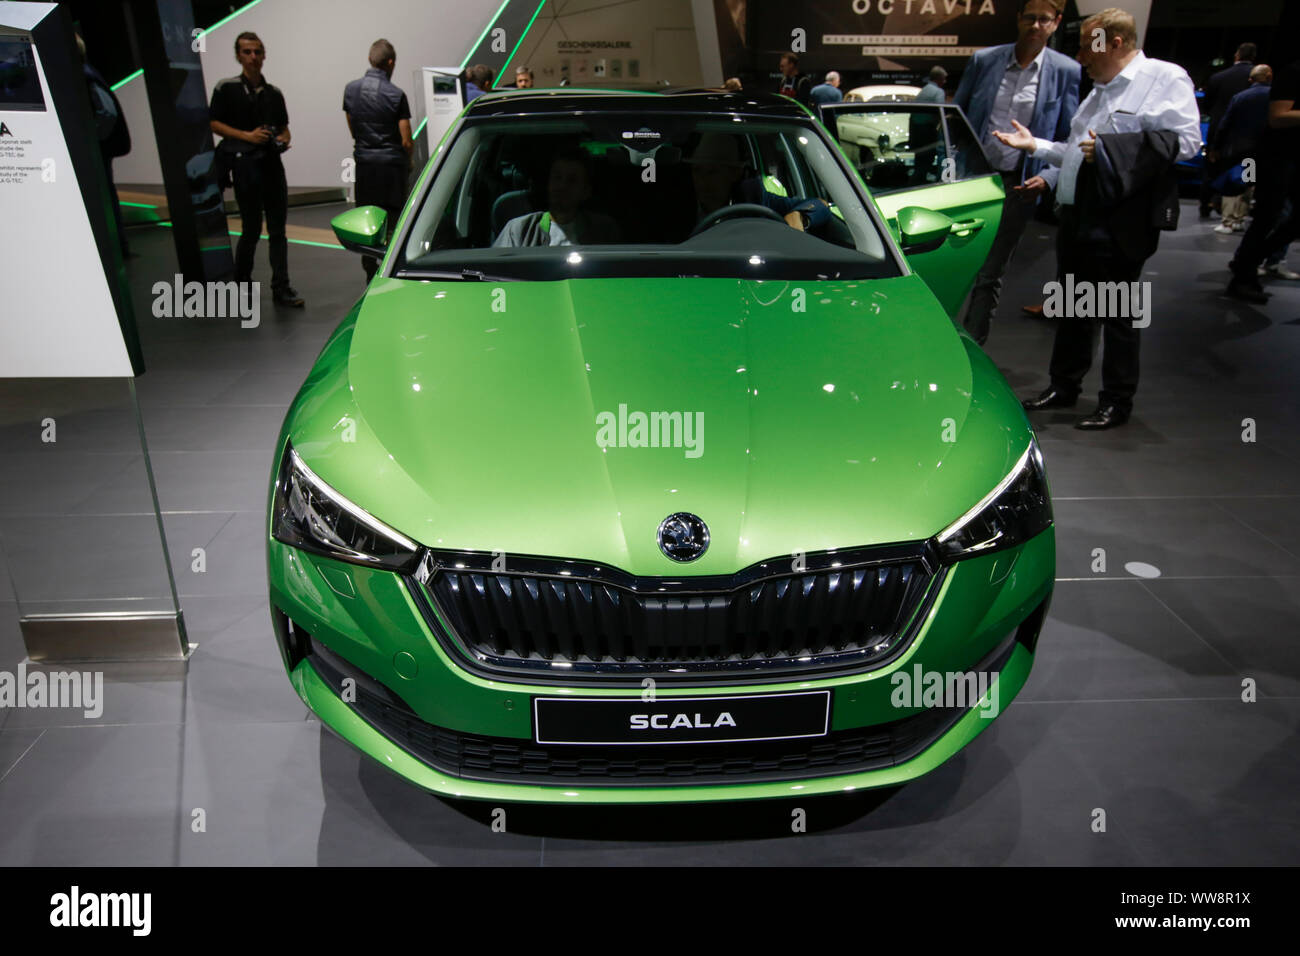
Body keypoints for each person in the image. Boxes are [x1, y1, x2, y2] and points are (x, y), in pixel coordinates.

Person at [994, 7, 1200, 430]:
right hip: (1077, 212)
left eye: (1089, 44)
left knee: (1118, 310)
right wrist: (1037, 147)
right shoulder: (1099, 90)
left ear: (1117, 42)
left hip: (1120, 216)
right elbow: (1078, 150)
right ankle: (1064, 384)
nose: (1082, 54)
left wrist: (1112, 146)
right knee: (1072, 305)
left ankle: (1116, 401)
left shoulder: (1163, 78)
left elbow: (1186, 142)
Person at [954, 0, 1080, 345]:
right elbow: (956, 118)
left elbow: (1069, 135)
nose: (1036, 26)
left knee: (991, 272)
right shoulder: (985, 61)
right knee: (955, 264)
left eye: (1044, 20)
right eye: (1030, 18)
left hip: (1020, 184)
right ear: (1018, 20)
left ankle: (973, 346)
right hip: (972, 180)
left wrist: (1050, 177)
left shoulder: (1065, 71)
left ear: (1055, 23)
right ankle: (940, 338)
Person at [209, 31, 303, 307]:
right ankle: (241, 283)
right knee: (251, 228)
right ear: (238, 55)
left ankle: (281, 287)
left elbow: (284, 127)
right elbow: (213, 123)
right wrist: (247, 136)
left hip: (272, 165)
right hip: (244, 166)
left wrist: (284, 139)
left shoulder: (274, 93)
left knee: (278, 231)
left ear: (264, 55)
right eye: (247, 52)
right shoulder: (226, 88)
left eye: (258, 52)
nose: (253, 57)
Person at [1225, 59, 1300, 301]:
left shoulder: (1243, 96)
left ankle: (1246, 263)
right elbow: (1277, 117)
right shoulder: (1293, 72)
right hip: (1276, 159)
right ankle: (1245, 269)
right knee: (1266, 215)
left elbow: (1227, 122)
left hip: (1264, 157)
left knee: (1265, 213)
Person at [343, 39, 413, 281]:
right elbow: (406, 139)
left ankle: (368, 269)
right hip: (392, 166)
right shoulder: (396, 94)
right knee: (392, 223)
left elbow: (353, 128)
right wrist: (409, 162)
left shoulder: (351, 90)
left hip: (365, 165)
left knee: (367, 221)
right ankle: (389, 271)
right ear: (391, 62)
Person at [685, 132, 831, 232]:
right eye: (697, 171)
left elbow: (821, 205)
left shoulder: (753, 198)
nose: (702, 181)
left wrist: (800, 216)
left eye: (712, 172)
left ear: (734, 173)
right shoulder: (676, 205)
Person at [493, 147, 619, 247]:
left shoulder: (604, 230)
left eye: (572, 180)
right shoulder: (518, 229)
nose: (562, 186)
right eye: (557, 177)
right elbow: (496, 274)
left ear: (586, 191)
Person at [76, 34, 131, 257]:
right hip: (99, 148)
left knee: (104, 196)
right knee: (106, 194)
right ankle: (116, 244)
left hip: (97, 149)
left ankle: (115, 246)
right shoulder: (87, 72)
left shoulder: (84, 75)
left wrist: (91, 142)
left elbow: (106, 113)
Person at [1211, 64, 1271, 235]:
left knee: (1232, 181)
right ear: (1269, 77)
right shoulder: (1273, 97)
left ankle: (1227, 221)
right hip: (1257, 149)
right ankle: (1239, 219)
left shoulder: (1240, 97)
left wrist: (1216, 147)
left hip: (1235, 148)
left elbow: (1225, 124)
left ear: (1251, 79)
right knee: (1247, 182)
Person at [1200, 42, 1257, 217]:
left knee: (1211, 170)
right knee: (1248, 174)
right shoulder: (1257, 81)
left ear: (1237, 56)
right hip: (1249, 138)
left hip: (1219, 134)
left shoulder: (1218, 77)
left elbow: (1207, 106)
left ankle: (1206, 205)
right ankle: (1239, 212)